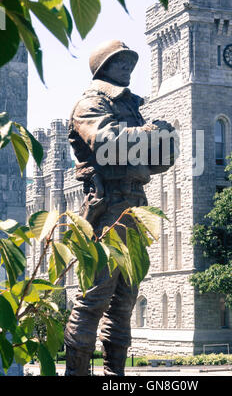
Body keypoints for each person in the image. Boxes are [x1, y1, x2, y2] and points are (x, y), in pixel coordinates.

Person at [64, 40, 175, 376]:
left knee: (125, 301)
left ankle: (116, 377)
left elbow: (161, 159)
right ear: (102, 67)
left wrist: (158, 141)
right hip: (106, 207)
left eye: (130, 61)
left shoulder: (131, 107)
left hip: (136, 206)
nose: (127, 66)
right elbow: (109, 143)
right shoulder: (91, 103)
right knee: (94, 298)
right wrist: (149, 135)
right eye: (119, 61)